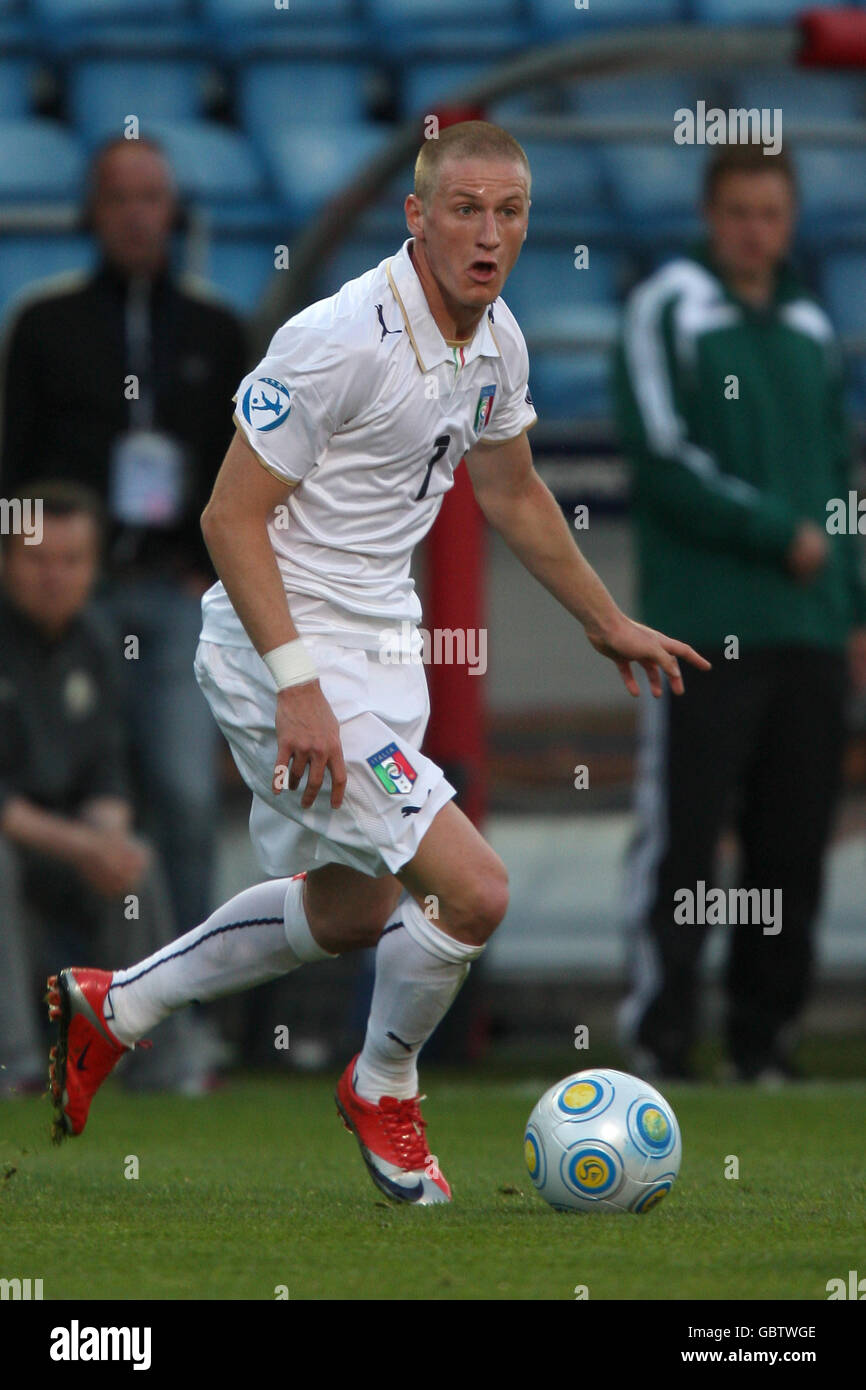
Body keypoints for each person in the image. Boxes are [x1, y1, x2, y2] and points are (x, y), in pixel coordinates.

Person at [46, 121, 709, 1204]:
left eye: (509, 213)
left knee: (354, 909)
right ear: (416, 216)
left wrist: (604, 618)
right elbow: (226, 516)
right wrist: (297, 681)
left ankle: (115, 1005)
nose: (487, 234)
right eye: (464, 209)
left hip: (377, 648)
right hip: (283, 647)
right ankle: (383, 1082)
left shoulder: (498, 341)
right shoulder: (337, 337)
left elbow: (510, 490)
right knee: (473, 889)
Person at [614, 143, 866, 1084]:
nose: (756, 230)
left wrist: (853, 605)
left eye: (771, 212)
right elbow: (660, 458)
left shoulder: (806, 320)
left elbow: (836, 478)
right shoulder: (668, 306)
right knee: (682, 838)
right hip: (699, 626)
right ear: (710, 215)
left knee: (791, 846)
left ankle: (767, 1042)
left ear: (791, 220)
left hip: (809, 630)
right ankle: (661, 1037)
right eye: (739, 212)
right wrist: (777, 532)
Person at [0, 136, 248, 939]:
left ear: (174, 211)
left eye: (151, 197)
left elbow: (247, 471)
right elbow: (13, 463)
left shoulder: (216, 329)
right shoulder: (45, 324)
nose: (138, 215)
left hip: (178, 596)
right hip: (70, 599)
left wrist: (209, 573)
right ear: (91, 211)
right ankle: (65, 1000)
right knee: (68, 787)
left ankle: (186, 1008)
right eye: (119, 197)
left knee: (181, 791)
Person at [0, 483, 219, 1095]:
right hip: (17, 844)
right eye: (38, 559)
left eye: (71, 561)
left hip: (63, 846)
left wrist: (110, 837)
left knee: (138, 863)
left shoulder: (96, 641)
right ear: (6, 560)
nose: (55, 576)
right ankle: (13, 1066)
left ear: (95, 568)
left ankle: (163, 1064)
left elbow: (107, 770)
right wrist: (84, 845)